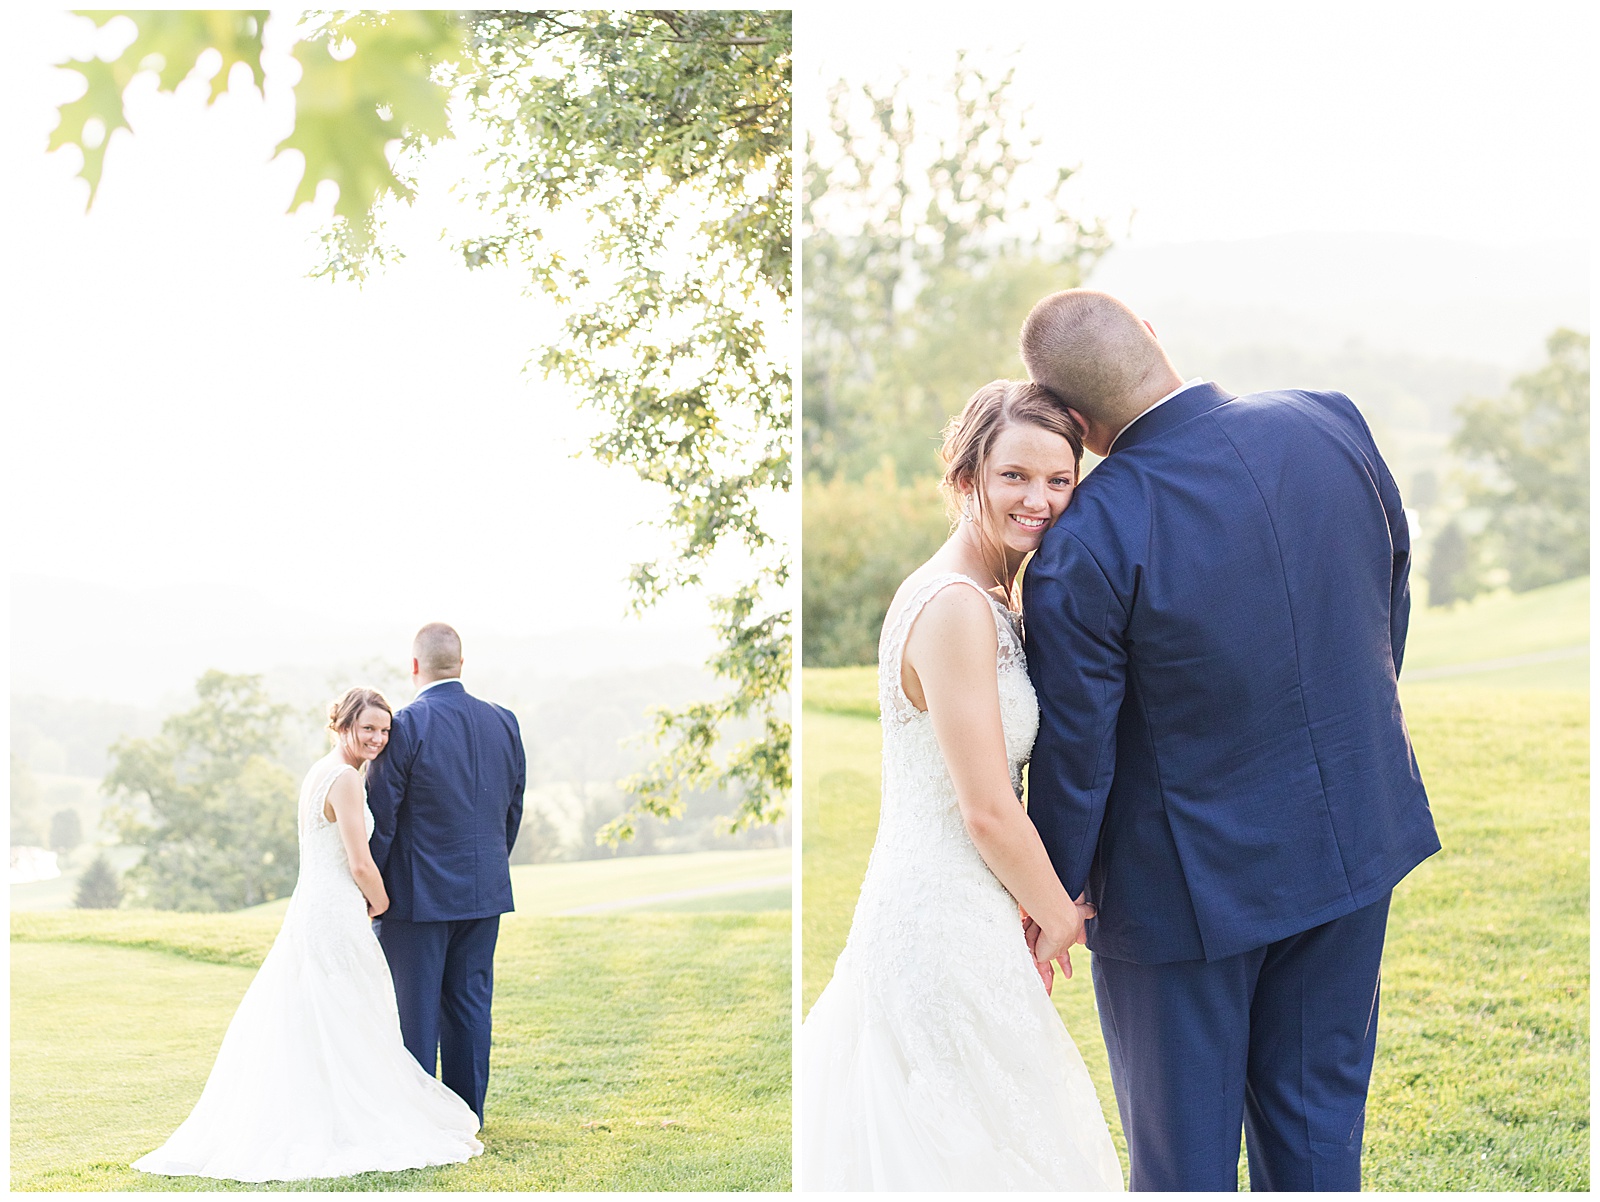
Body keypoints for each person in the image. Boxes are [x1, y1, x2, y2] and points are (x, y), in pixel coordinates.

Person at [1018, 289, 1441, 1191]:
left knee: (1185, 1170)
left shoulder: (1083, 542)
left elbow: (1078, 758)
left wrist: (1046, 894)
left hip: (1181, 901)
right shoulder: (1331, 423)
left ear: (1079, 427)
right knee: (1321, 1135)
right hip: (1348, 846)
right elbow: (1386, 607)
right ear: (1153, 337)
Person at [799, 379, 1124, 1191]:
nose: (1041, 500)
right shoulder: (951, 606)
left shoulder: (988, 595)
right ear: (967, 476)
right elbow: (985, 808)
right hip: (940, 920)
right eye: (1015, 476)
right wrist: (1061, 917)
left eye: (1059, 480)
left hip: (967, 908)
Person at [133, 688, 484, 1182]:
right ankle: (344, 1122)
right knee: (347, 1011)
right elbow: (360, 863)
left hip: (314, 905)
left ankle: (328, 1114)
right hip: (336, 907)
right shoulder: (345, 780)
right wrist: (382, 903)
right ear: (342, 725)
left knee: (322, 1012)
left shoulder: (322, 771)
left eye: (385, 731)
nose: (378, 739)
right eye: (368, 729)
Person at [365, 622, 525, 1126]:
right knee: (470, 1008)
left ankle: (418, 1124)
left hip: (416, 899)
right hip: (484, 894)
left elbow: (382, 817)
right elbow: (512, 811)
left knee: (415, 1014)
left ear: (414, 667)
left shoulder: (405, 726)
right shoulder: (505, 721)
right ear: (461, 663)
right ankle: (467, 1118)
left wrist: (373, 892)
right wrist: (489, 870)